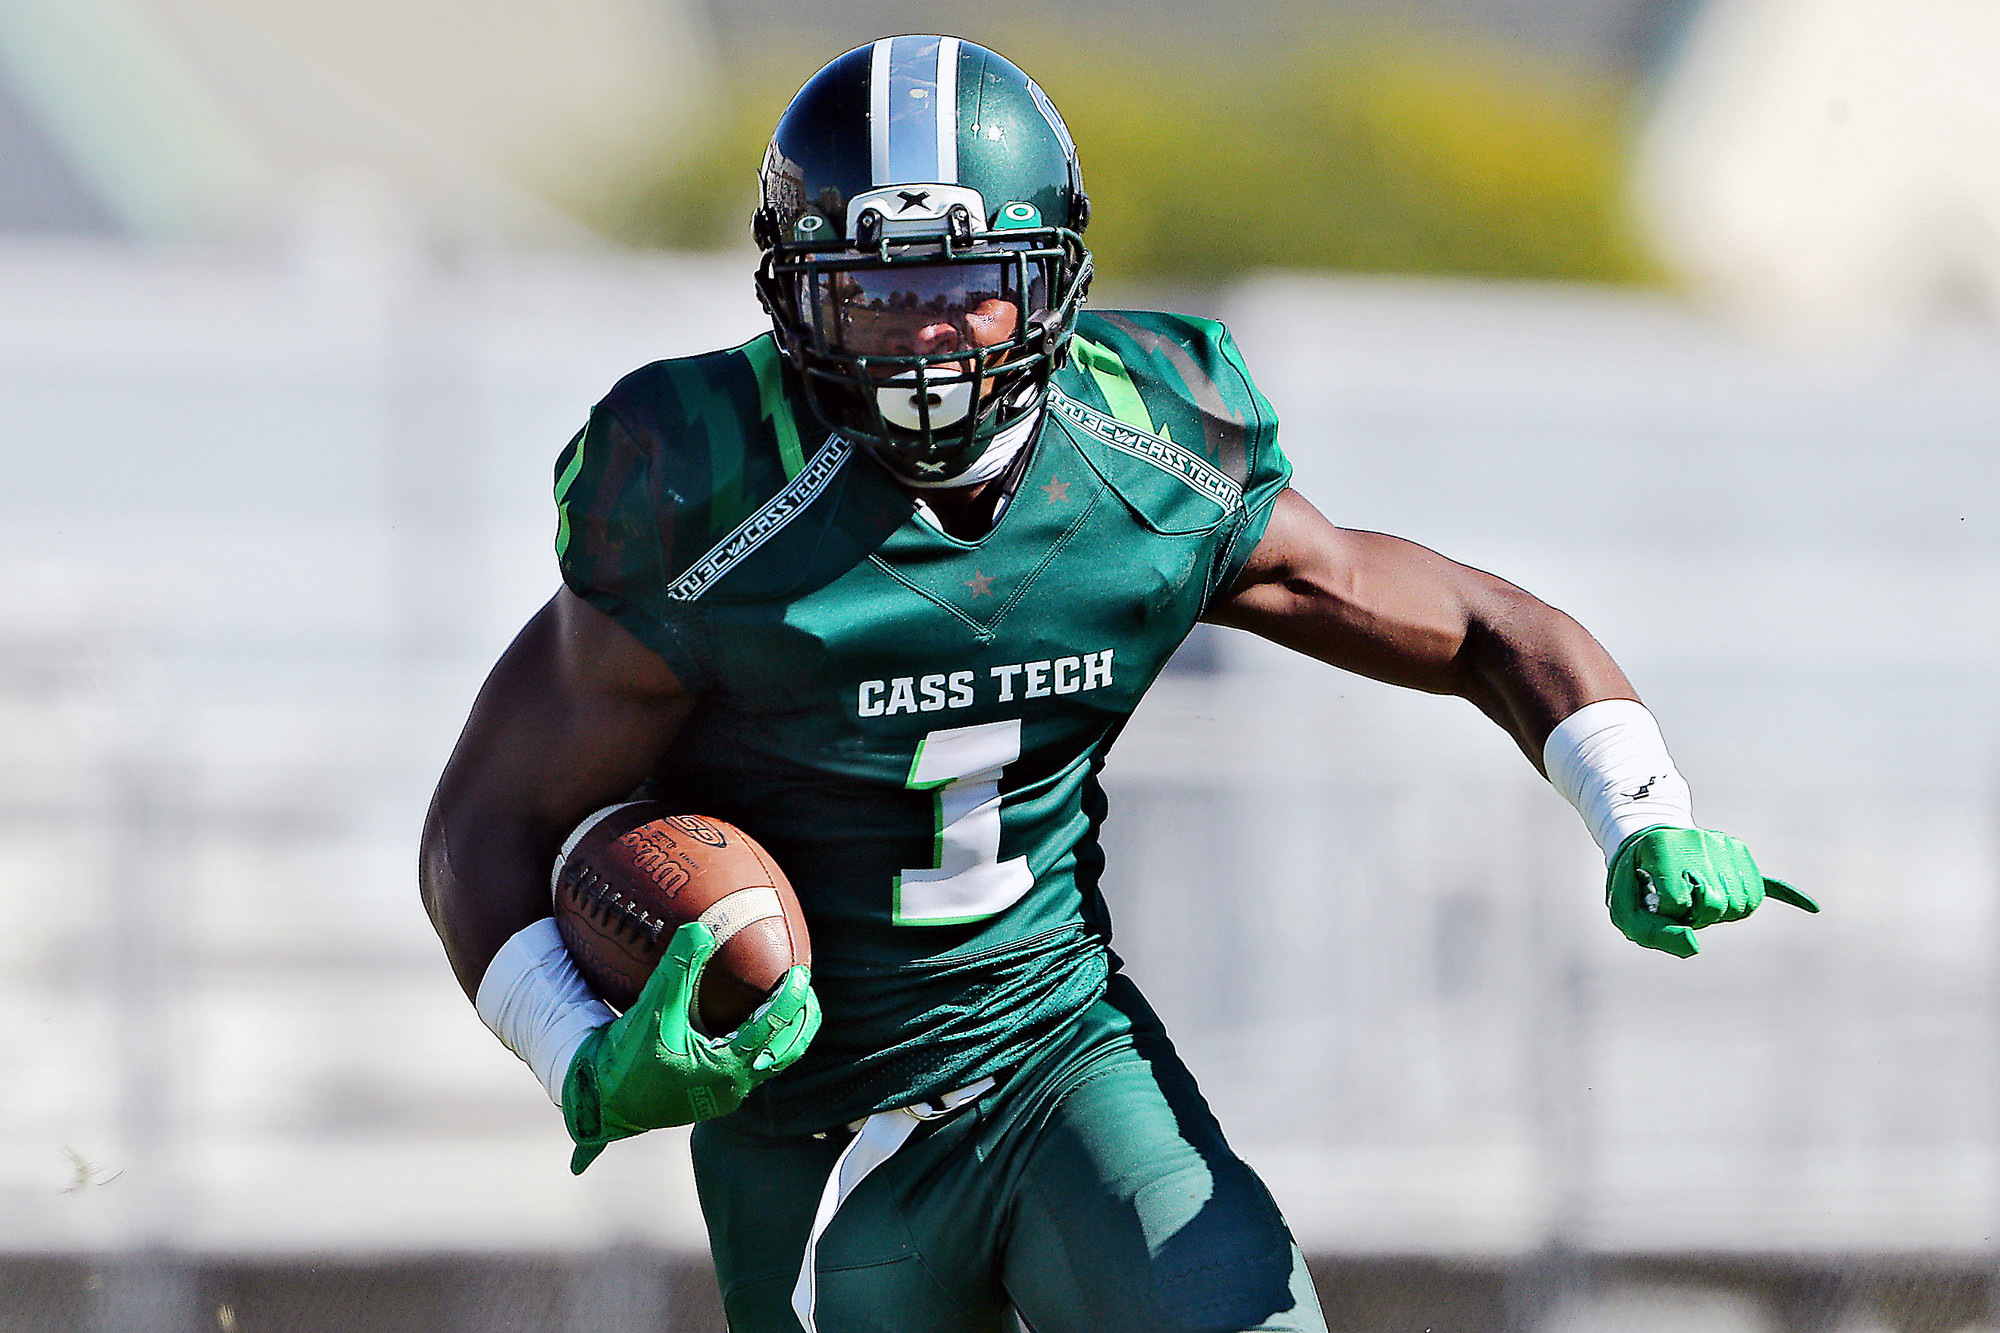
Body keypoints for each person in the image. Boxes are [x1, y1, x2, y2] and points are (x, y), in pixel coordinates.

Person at [420, 35, 1816, 1333]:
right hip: (812, 1126)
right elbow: (480, 826)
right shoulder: (706, 496)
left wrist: (1639, 802)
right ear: (795, 290)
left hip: (1055, 1057)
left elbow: (1473, 623)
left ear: (1052, 283)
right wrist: (576, 1048)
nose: (925, 346)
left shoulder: (1146, 454)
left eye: (964, 292)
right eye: (877, 296)